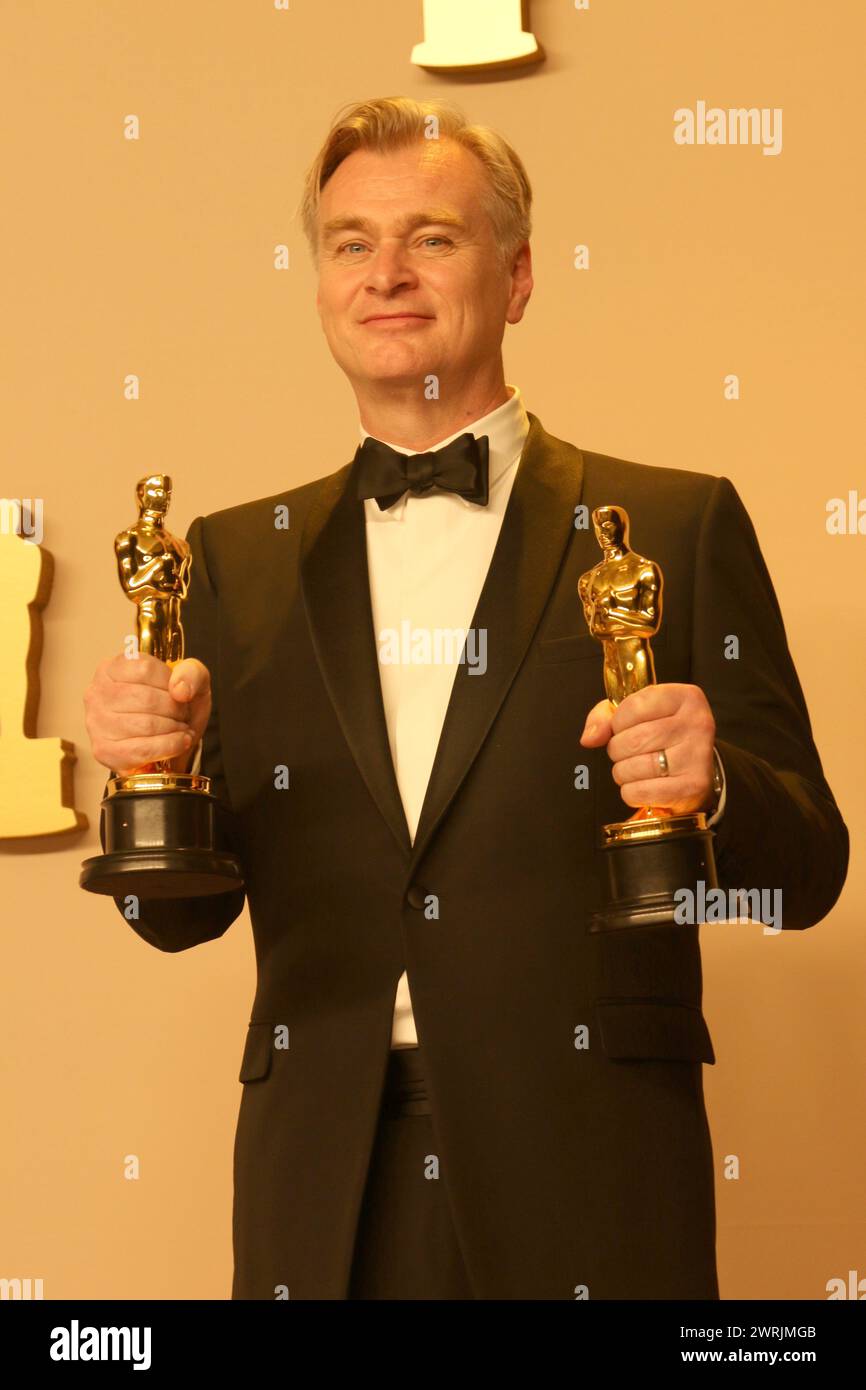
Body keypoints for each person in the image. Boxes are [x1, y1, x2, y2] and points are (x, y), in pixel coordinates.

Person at [83, 96, 849, 1300]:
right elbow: (175, 919)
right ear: (321, 279)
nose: (385, 272)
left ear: (520, 274)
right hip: (322, 1185)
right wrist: (145, 778)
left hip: (592, 1173)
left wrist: (714, 789)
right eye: (349, 242)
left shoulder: (674, 521)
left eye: (431, 237)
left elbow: (804, 873)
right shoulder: (236, 555)